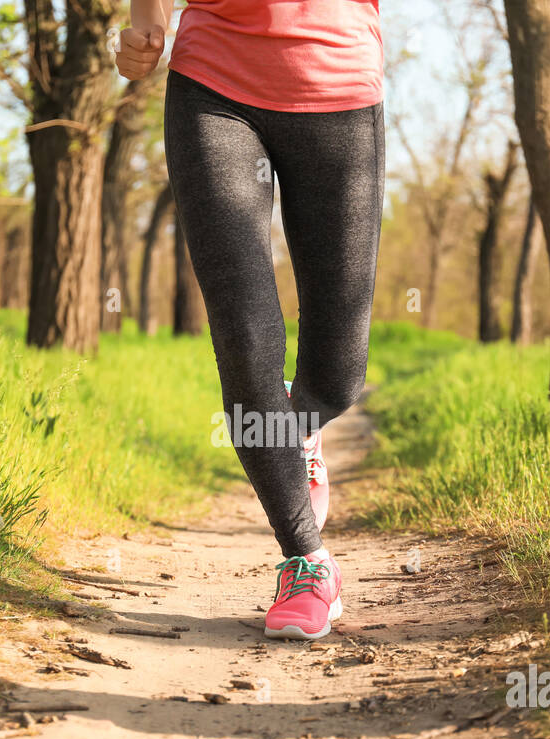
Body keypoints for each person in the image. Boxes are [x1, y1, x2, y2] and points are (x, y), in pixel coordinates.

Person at [116, 0, 384, 639]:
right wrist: (146, 19)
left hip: (339, 84)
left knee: (339, 373)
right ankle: (306, 560)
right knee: (243, 330)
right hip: (214, 88)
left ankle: (303, 425)